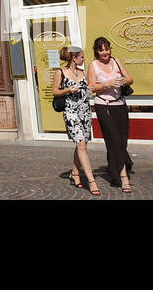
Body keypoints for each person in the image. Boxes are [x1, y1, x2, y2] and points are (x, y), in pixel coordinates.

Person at [87, 36, 133, 192]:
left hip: (120, 104)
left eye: (106, 49)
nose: (105, 52)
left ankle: (113, 169)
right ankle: (123, 178)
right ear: (97, 52)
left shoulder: (116, 61)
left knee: (122, 140)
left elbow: (130, 78)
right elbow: (91, 87)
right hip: (103, 106)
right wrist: (107, 83)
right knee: (114, 139)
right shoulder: (93, 65)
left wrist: (123, 81)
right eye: (101, 50)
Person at [53, 45, 100, 196]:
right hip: (71, 112)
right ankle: (91, 181)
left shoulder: (82, 72)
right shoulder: (60, 72)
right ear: (74, 58)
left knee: (82, 144)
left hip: (85, 111)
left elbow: (87, 91)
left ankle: (74, 173)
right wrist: (68, 90)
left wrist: (90, 89)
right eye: (81, 57)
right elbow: (55, 91)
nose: (83, 59)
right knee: (81, 145)